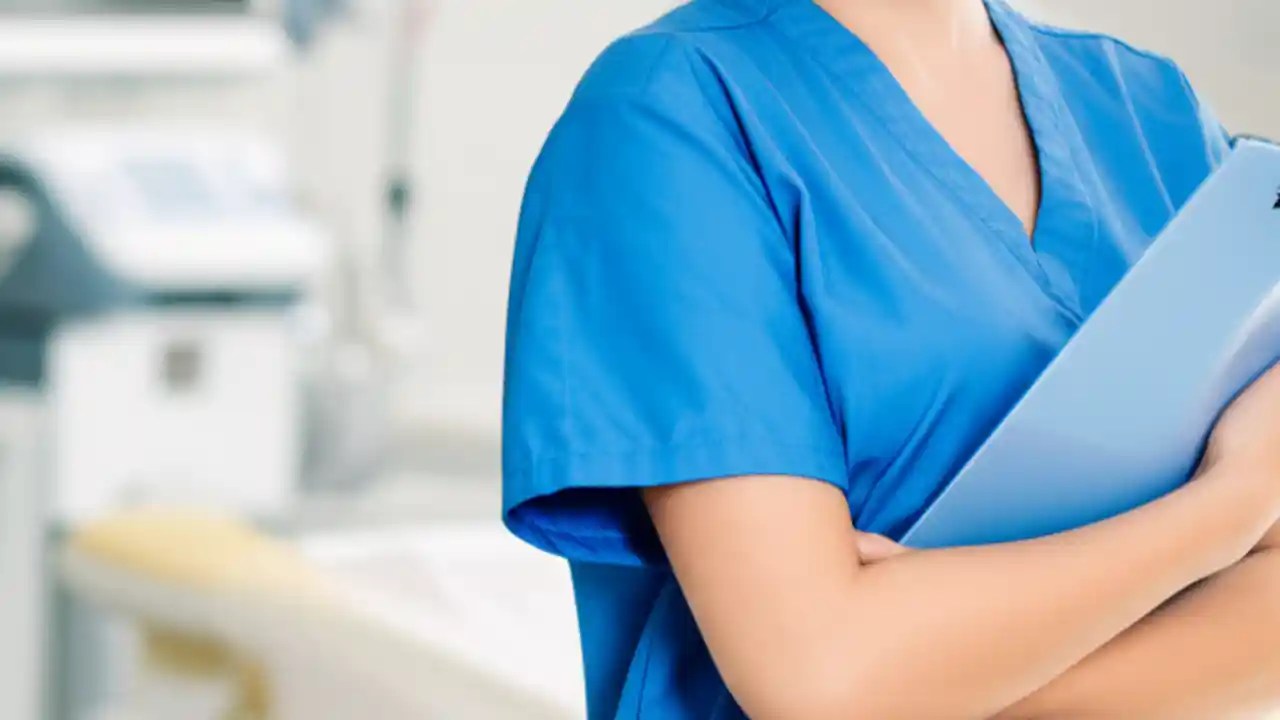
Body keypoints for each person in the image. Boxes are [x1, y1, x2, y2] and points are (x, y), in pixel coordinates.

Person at [502, 0, 1280, 717]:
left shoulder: (1152, 113)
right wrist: (1224, 511)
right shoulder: (668, 114)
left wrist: (922, 683)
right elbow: (821, 677)